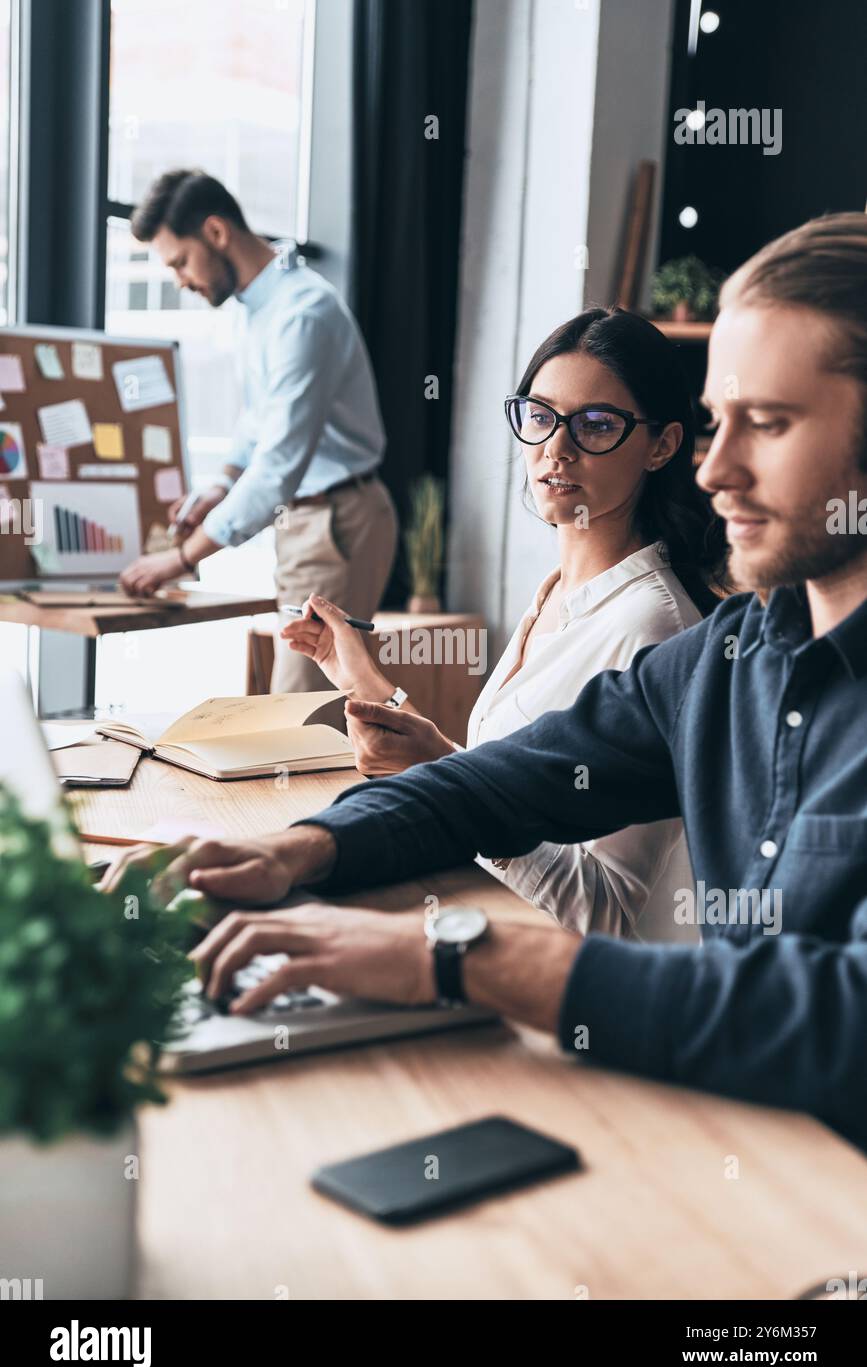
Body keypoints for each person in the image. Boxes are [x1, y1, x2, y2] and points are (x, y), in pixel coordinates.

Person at [105, 212, 867, 1150]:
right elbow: (499, 782)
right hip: (746, 1147)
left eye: (771, 424)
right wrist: (296, 852)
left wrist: (457, 952)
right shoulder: (726, 656)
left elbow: (840, 1017)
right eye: (719, 423)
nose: (716, 468)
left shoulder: (668, 624)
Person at [278, 309, 727, 939]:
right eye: (540, 416)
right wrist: (368, 685)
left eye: (596, 425)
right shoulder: (557, 594)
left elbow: (607, 913)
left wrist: (449, 785)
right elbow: (502, 775)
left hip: (575, 1008)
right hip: (490, 934)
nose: (556, 449)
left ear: (662, 445)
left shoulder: (651, 628)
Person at [118, 169, 397, 692]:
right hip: (310, 522)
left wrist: (179, 559)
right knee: (296, 710)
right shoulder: (258, 309)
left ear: (216, 233)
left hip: (336, 520)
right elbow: (259, 419)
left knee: (301, 715)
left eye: (180, 261)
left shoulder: (302, 315)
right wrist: (219, 485)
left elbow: (277, 469)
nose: (179, 280)